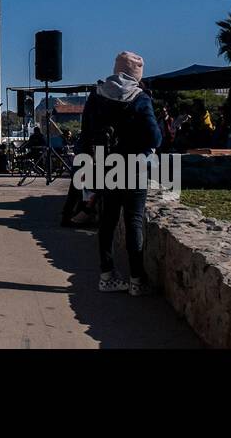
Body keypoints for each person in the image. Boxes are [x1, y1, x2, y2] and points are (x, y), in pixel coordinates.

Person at [80, 51, 161, 295]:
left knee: (108, 221)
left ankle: (107, 276)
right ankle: (137, 279)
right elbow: (155, 136)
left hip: (105, 164)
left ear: (115, 69)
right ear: (137, 74)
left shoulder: (96, 95)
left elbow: (85, 135)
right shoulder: (140, 97)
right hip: (133, 165)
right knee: (133, 221)